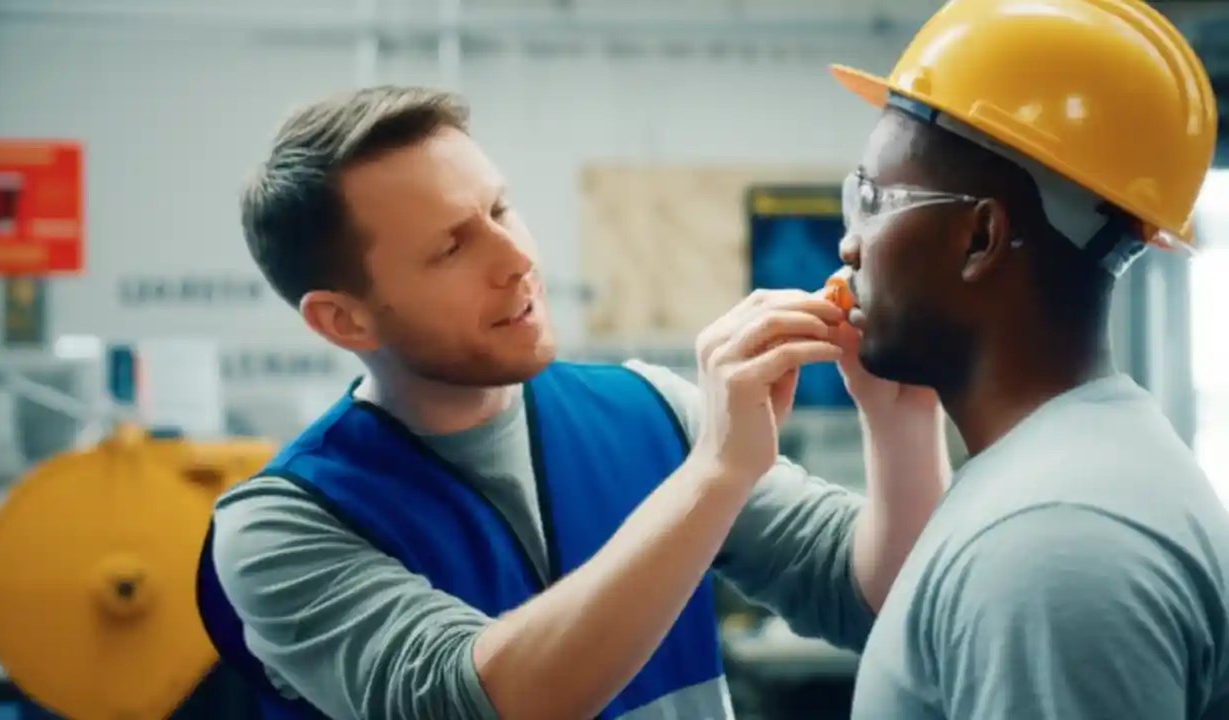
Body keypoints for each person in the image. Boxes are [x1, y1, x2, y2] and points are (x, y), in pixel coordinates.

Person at [194, 86, 949, 720]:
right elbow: (478, 704)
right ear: (343, 320)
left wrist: (901, 416)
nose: (518, 258)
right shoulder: (280, 528)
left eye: (500, 210)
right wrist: (715, 473)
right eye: (452, 247)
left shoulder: (652, 411)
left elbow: (883, 601)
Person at [826, 0, 1229, 717]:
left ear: (981, 238)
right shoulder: (1065, 478)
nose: (849, 244)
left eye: (875, 199)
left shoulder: (1049, 543)